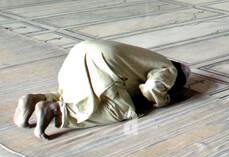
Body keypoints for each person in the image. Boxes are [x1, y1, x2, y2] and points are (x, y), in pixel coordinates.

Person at [13, 39, 191, 138]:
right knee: (120, 109)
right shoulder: (170, 69)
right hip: (103, 63)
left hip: (81, 49)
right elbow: (153, 88)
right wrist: (163, 100)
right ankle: (55, 109)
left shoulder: (152, 58)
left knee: (75, 93)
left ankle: (35, 99)